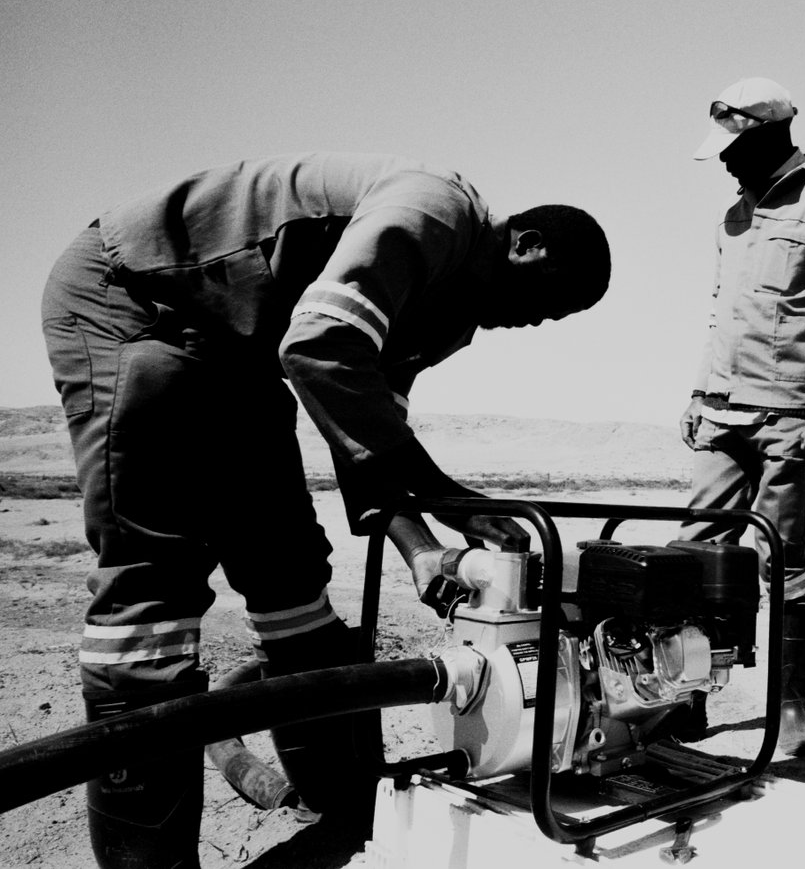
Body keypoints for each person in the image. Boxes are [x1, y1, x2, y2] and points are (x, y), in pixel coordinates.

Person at [40, 152, 610, 868]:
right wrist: (454, 497)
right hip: (134, 304)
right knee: (154, 581)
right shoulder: (436, 212)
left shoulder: (447, 316)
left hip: (238, 349)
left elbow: (365, 432)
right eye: (544, 302)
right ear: (526, 244)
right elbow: (320, 347)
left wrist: (423, 546)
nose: (530, 322)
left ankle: (344, 805)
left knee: (286, 564)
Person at [678, 78, 805, 757]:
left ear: (769, 134)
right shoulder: (731, 218)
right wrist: (697, 391)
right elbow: (722, 313)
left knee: (785, 554)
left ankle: (790, 707)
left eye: (734, 148)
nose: (725, 162)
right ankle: (683, 695)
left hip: (792, 417)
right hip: (721, 412)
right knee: (696, 552)